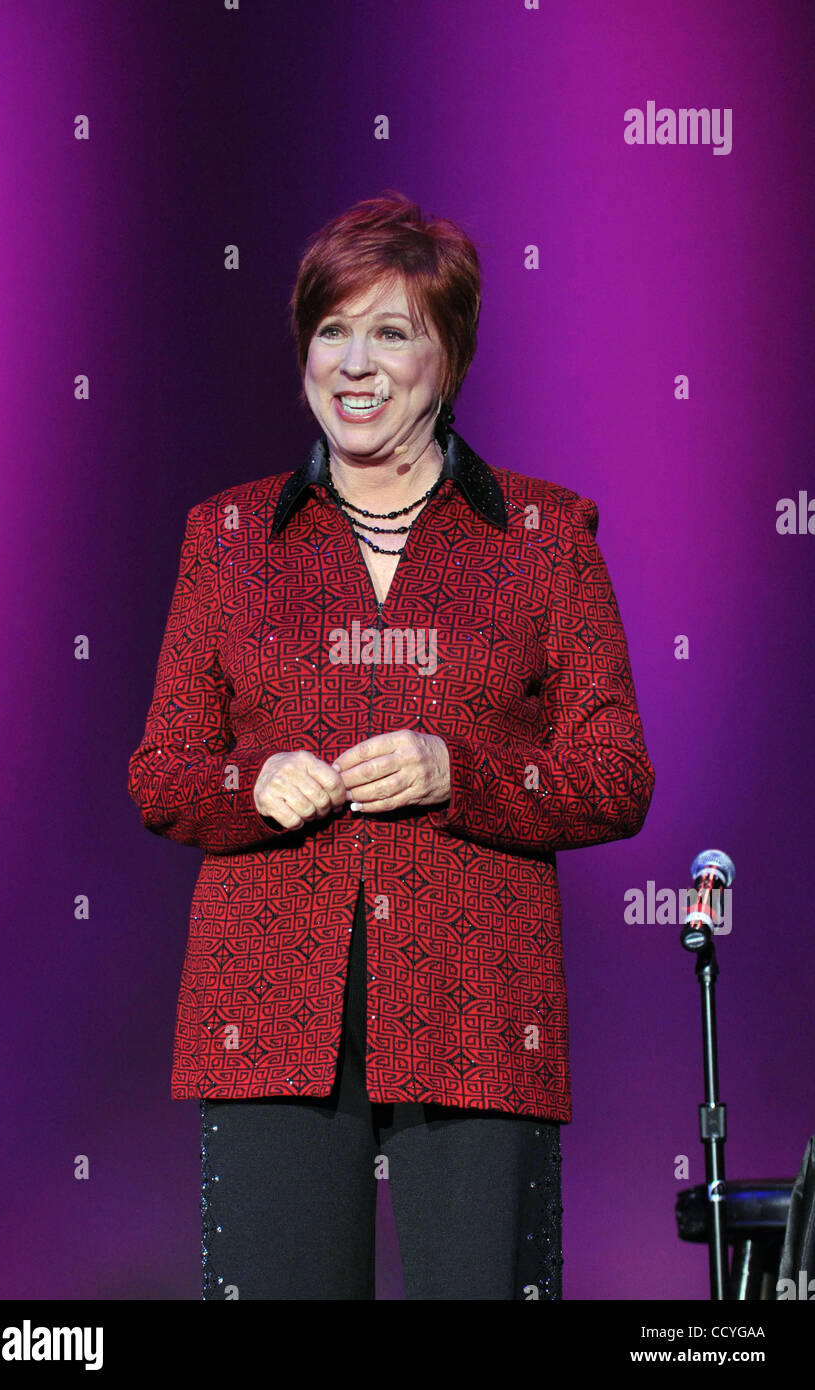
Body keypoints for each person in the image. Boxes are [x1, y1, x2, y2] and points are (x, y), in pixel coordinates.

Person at [127, 190, 655, 1300]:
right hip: (268, 1009)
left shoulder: (545, 537)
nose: (353, 364)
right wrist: (246, 781)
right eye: (331, 329)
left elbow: (616, 776)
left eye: (391, 331)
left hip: (476, 1006)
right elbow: (160, 771)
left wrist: (458, 769)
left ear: (449, 356)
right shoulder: (225, 538)